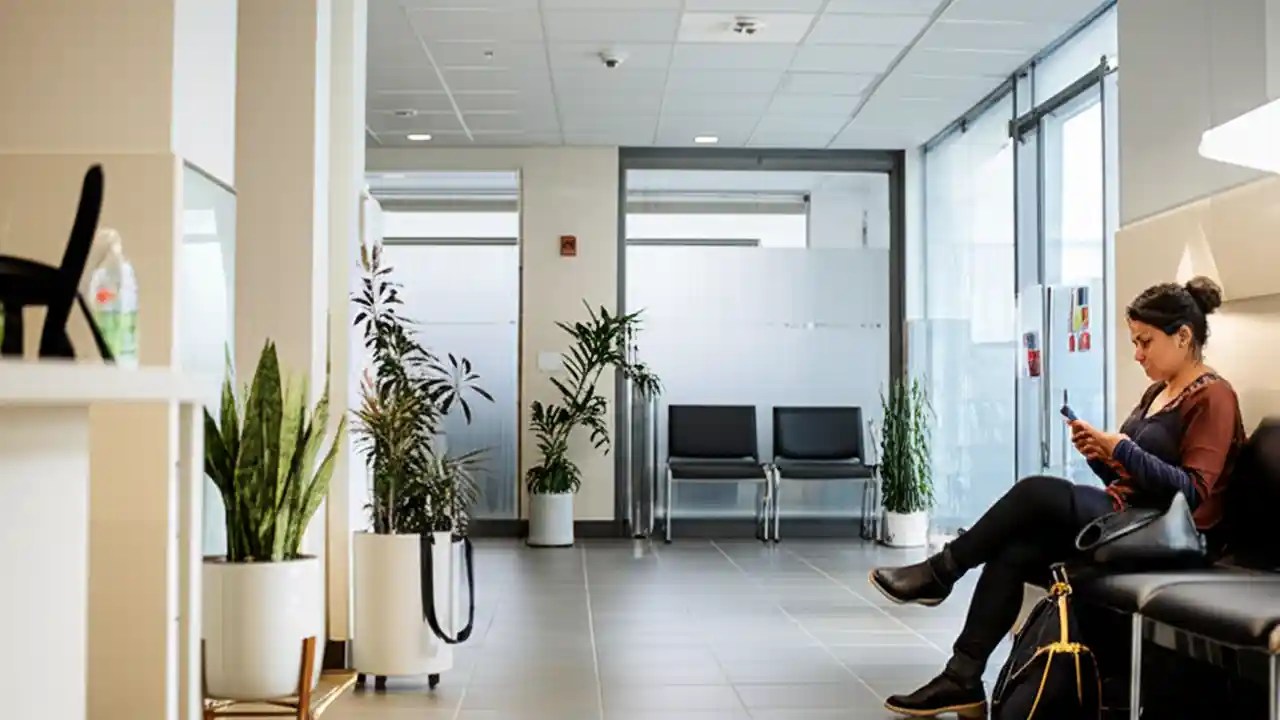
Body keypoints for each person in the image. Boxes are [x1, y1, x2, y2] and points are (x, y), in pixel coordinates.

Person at [869, 276, 1246, 718]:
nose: (1137, 354)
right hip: (1130, 521)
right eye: (1134, 342)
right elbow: (1139, 477)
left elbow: (1193, 492)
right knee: (1014, 549)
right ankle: (962, 678)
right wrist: (1101, 457)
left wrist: (1120, 447)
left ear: (1183, 336)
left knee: (1035, 492)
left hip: (1170, 537)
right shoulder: (1157, 393)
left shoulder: (1214, 397)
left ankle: (942, 571)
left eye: (1145, 342)